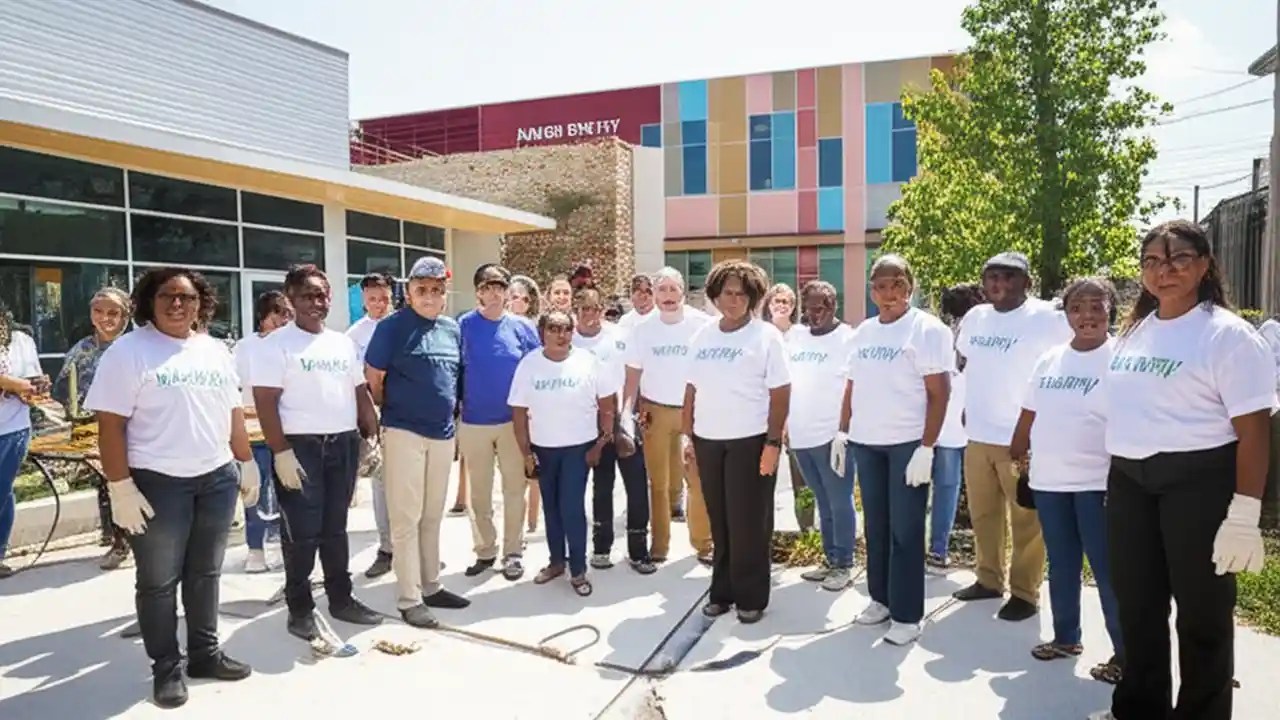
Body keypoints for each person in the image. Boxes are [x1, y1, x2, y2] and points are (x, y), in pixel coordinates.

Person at [1088, 220, 1273, 720]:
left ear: (1206, 264)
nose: (1163, 270)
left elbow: (1254, 429)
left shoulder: (1227, 335)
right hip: (1130, 481)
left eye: (1178, 259)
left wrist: (1243, 513)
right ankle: (1139, 708)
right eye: (1152, 261)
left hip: (1198, 482)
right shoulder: (1137, 330)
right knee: (1139, 608)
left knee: (1202, 614)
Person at [83, 267, 256, 707]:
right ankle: (167, 668)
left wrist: (246, 461)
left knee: (205, 574)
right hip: (159, 483)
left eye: (187, 297)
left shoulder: (215, 349)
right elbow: (110, 427)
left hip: (215, 478)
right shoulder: (128, 352)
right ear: (148, 302)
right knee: (159, 581)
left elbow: (232, 409)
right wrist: (120, 487)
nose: (178, 304)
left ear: (201, 302)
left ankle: (204, 654)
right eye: (167, 296)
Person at [253, 264, 383, 641]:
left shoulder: (340, 342)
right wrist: (280, 452)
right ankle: (300, 608)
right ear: (291, 300)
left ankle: (342, 599)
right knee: (301, 532)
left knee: (335, 527)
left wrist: (371, 432)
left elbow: (359, 391)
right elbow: (265, 403)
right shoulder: (275, 345)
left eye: (323, 295)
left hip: (341, 444)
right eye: (308, 295)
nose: (317, 301)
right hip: (300, 448)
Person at [1010, 277, 1123, 683]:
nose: (1087, 315)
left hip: (1099, 482)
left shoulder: (1121, 356)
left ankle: (1125, 654)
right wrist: (1018, 451)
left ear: (1110, 308)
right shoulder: (1050, 359)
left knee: (1109, 570)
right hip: (1050, 480)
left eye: (1096, 306)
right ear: (1067, 313)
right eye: (1077, 307)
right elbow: (1029, 411)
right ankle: (1066, 637)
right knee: (1061, 564)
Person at [840, 254, 952, 645]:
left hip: (907, 444)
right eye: (881, 286)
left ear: (911, 286)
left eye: (897, 284)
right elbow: (852, 385)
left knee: (905, 530)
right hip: (868, 443)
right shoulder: (864, 332)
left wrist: (927, 446)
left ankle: (907, 614)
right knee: (876, 525)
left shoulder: (927, 330)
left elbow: (939, 393)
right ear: (871, 290)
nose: (889, 293)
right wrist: (843, 432)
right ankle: (881, 599)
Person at [953, 251, 1071, 621]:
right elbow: (968, 362)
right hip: (978, 435)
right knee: (984, 514)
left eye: (1009, 277)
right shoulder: (975, 317)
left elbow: (1073, 357)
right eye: (992, 277)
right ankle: (988, 580)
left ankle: (1024, 592)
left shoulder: (1048, 318)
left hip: (1023, 438)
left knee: (1026, 519)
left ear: (1027, 282)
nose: (999, 285)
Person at [365, 257, 470, 628]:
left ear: (444, 294)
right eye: (421, 290)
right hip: (404, 431)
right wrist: (387, 415)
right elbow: (374, 378)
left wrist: (454, 427)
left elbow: (455, 383)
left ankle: (431, 585)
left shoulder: (452, 329)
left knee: (431, 515)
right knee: (405, 518)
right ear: (408, 293)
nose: (429, 296)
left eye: (436, 290)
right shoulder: (391, 328)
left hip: (442, 433)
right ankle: (409, 599)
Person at [685, 260, 790, 623]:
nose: (733, 300)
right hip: (709, 439)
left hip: (751, 439)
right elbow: (691, 389)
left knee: (749, 521)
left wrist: (773, 443)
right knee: (721, 520)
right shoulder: (703, 335)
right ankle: (722, 591)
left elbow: (780, 392)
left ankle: (751, 597)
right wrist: (689, 439)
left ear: (753, 297)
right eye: (727, 292)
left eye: (741, 294)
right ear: (715, 294)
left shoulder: (765, 336)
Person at [510, 309, 617, 597]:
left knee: (571, 507)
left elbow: (607, 405)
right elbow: (518, 412)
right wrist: (526, 452)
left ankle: (578, 569)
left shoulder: (589, 362)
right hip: (544, 449)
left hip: (578, 449)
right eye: (553, 328)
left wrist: (600, 443)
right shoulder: (529, 365)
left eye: (566, 329)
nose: (560, 335)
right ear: (542, 332)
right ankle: (556, 562)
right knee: (551, 508)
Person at [623, 267, 714, 565]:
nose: (668, 296)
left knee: (697, 480)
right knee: (658, 483)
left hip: (695, 412)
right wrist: (626, 412)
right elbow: (633, 373)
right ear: (654, 295)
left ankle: (703, 543)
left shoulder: (702, 325)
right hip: (655, 411)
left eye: (674, 289)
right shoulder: (643, 329)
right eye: (661, 290)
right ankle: (659, 545)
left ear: (684, 293)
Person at [458, 264, 541, 580]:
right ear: (478, 291)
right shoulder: (462, 325)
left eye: (499, 287)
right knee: (479, 493)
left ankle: (513, 552)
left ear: (508, 292)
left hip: (512, 424)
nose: (493, 293)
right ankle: (485, 550)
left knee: (513, 489)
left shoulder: (522, 328)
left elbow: (536, 371)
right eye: (487, 287)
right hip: (474, 422)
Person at [572, 287, 655, 574]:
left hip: (623, 420)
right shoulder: (569, 341)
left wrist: (628, 414)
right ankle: (601, 547)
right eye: (583, 309)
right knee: (601, 487)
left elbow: (634, 373)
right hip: (589, 426)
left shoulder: (620, 335)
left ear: (602, 309)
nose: (590, 315)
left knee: (636, 485)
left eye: (595, 309)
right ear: (576, 312)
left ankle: (638, 550)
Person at [50, 286, 133, 571]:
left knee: (126, 481)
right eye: (98, 311)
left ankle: (126, 541)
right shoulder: (81, 348)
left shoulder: (134, 346)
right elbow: (64, 388)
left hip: (131, 428)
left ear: (126, 315)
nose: (105, 318)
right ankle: (116, 536)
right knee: (105, 482)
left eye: (113, 312)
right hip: (90, 428)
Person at [786, 281, 858, 591]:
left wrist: (844, 431)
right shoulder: (795, 337)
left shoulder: (848, 338)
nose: (814, 315)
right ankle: (830, 559)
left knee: (839, 501)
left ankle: (844, 563)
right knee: (822, 500)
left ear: (833, 305)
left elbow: (854, 389)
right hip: (801, 436)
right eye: (809, 309)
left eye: (821, 308)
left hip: (832, 436)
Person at [233, 290, 293, 574]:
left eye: (286, 314)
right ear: (263, 316)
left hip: (287, 428)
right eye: (277, 313)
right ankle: (255, 549)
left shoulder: (293, 344)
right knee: (255, 488)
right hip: (254, 428)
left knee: (288, 490)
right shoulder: (244, 347)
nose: (283, 320)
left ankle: (282, 546)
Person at [929, 283, 985, 571]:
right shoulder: (950, 334)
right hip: (946, 426)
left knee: (946, 490)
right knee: (948, 490)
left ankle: (938, 550)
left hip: (954, 427)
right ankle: (937, 550)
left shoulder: (974, 334)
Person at [346, 272, 395, 579]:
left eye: (384, 298)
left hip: (408, 411)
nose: (379, 304)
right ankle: (387, 548)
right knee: (382, 484)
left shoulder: (404, 324)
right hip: (375, 414)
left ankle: (417, 549)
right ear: (363, 300)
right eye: (373, 299)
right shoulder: (354, 336)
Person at [0, 302, 49, 579]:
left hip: (12, 428)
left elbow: (30, 378)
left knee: (1, 489)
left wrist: (33, 386)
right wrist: (12, 384)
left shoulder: (22, 341)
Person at [763, 282, 815, 534]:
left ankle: (807, 531)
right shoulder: (759, 334)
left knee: (802, 481)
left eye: (787, 302)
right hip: (765, 417)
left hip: (798, 416)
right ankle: (764, 534)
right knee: (764, 479)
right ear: (768, 304)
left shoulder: (802, 335)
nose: (782, 306)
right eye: (777, 301)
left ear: (794, 307)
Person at [506, 274, 544, 532]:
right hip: (501, 407)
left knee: (531, 464)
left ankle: (532, 520)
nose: (518, 302)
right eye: (514, 297)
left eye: (524, 298)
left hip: (528, 405)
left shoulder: (532, 328)